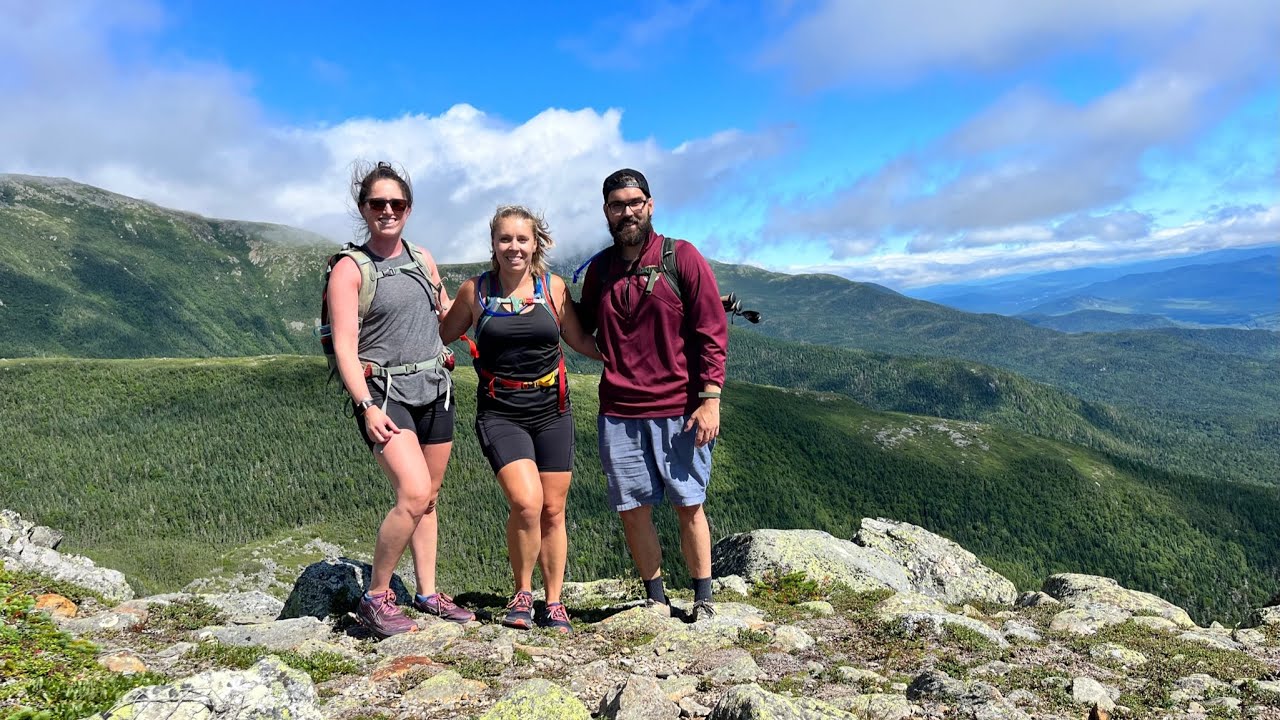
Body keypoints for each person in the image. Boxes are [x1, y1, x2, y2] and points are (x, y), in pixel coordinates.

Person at [326, 161, 475, 638]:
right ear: (363, 208)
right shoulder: (350, 270)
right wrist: (364, 406)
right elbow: (346, 349)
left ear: (408, 209)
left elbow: (444, 313)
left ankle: (428, 593)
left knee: (428, 498)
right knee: (412, 492)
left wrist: (483, 308)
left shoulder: (422, 258)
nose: (387, 211)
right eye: (377, 204)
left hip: (435, 388)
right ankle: (376, 597)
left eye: (397, 204)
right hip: (384, 394)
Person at [440, 205, 601, 632]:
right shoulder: (475, 292)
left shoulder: (554, 288)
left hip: (553, 409)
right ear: (493, 244)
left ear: (536, 243)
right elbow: (441, 333)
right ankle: (522, 594)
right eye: (505, 239)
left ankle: (554, 602)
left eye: (522, 239)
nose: (514, 247)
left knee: (553, 509)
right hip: (500, 412)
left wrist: (628, 360)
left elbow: (580, 338)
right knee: (526, 503)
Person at [576, 169, 728, 622]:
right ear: (606, 211)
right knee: (632, 510)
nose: (628, 212)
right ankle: (656, 599)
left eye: (635, 202)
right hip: (619, 411)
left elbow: (711, 330)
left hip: (680, 409)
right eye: (618, 205)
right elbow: (581, 325)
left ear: (650, 204)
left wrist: (710, 399)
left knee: (689, 504)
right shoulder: (599, 270)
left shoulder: (681, 257)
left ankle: (703, 599)